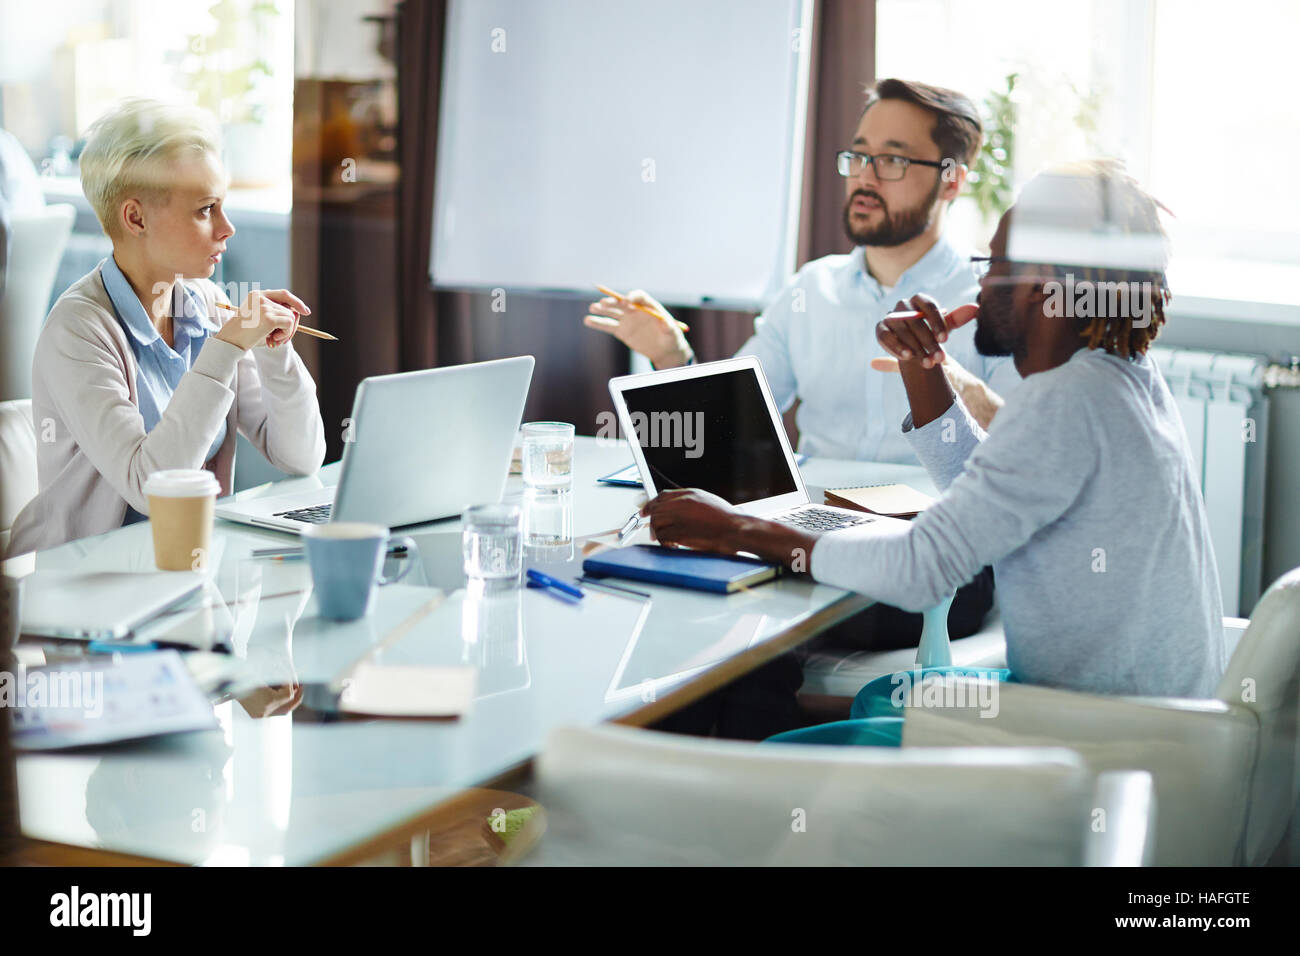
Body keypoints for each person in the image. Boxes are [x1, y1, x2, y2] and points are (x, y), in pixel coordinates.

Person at [643, 162, 1226, 701]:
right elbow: (981, 484)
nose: (980, 286)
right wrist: (921, 367)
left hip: (1095, 737)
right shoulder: (1122, 377)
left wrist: (734, 529)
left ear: (1040, 280)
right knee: (882, 699)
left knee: (795, 730)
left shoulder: (1064, 400)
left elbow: (919, 570)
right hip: (1151, 727)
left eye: (994, 265)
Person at [7, 99, 325, 557]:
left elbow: (300, 456)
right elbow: (151, 486)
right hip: (78, 586)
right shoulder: (78, 330)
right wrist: (229, 346)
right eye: (205, 210)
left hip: (176, 571)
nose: (227, 228)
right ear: (136, 218)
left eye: (223, 206)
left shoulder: (208, 306)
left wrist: (273, 351)